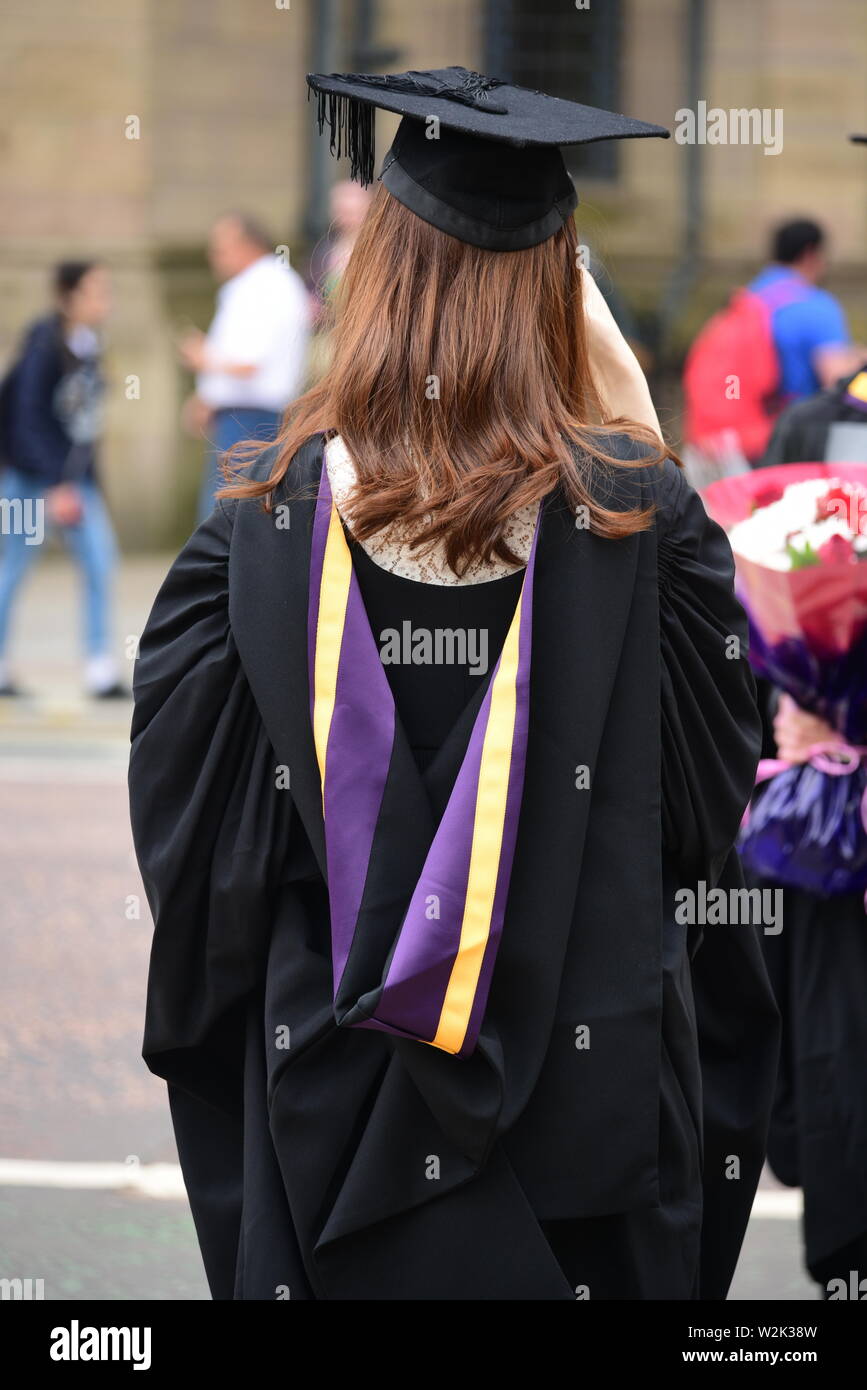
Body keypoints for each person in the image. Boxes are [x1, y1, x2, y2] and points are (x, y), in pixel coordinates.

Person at [129, 67, 779, 1301]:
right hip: (588, 1165)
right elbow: (713, 845)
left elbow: (202, 905)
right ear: (567, 300)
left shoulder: (251, 545)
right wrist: (637, 437)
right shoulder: (648, 543)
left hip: (334, 1152)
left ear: (369, 285)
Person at [0, 261, 125, 699]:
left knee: (99, 561)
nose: (103, 300)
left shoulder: (91, 345)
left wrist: (77, 481)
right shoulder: (43, 345)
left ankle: (99, 668)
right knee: (12, 566)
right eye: (94, 291)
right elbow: (25, 419)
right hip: (30, 482)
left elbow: (84, 427)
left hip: (74, 482)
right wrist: (54, 484)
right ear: (69, 298)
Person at [179, 212, 310, 523]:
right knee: (234, 513)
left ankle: (218, 574)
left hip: (250, 418)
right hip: (247, 415)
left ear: (248, 246)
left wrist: (201, 357)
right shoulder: (265, 284)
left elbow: (249, 362)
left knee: (227, 517)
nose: (213, 258)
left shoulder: (263, 287)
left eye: (221, 249)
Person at [748, 218, 855, 402]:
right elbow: (838, 382)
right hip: (795, 423)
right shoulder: (816, 306)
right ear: (810, 253)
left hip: (749, 418)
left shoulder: (750, 295)